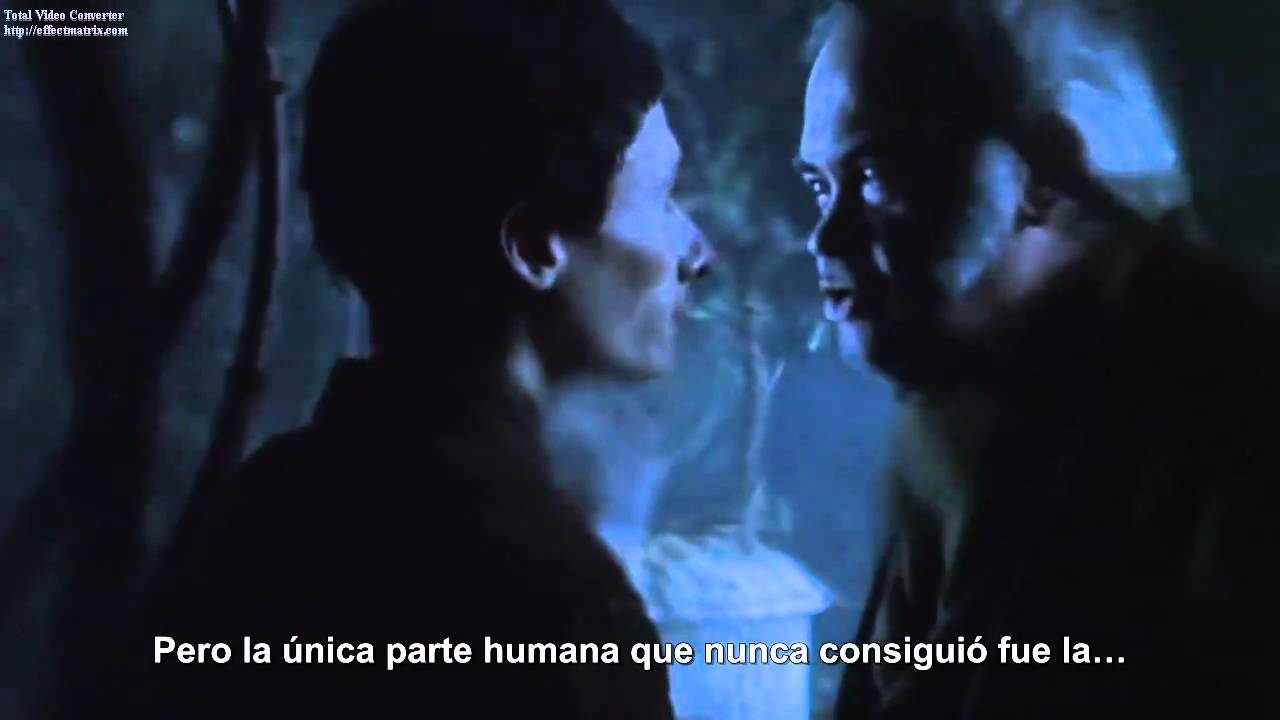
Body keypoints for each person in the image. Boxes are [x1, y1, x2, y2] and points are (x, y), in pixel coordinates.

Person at [121, 0, 712, 717]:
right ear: (534, 245)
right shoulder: (544, 600)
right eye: (661, 197)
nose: (697, 251)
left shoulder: (261, 513)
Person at [794, 1, 1276, 718]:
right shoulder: (955, 416)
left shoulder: (1231, 406)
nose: (825, 238)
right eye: (818, 185)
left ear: (1044, 172)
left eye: (875, 175)